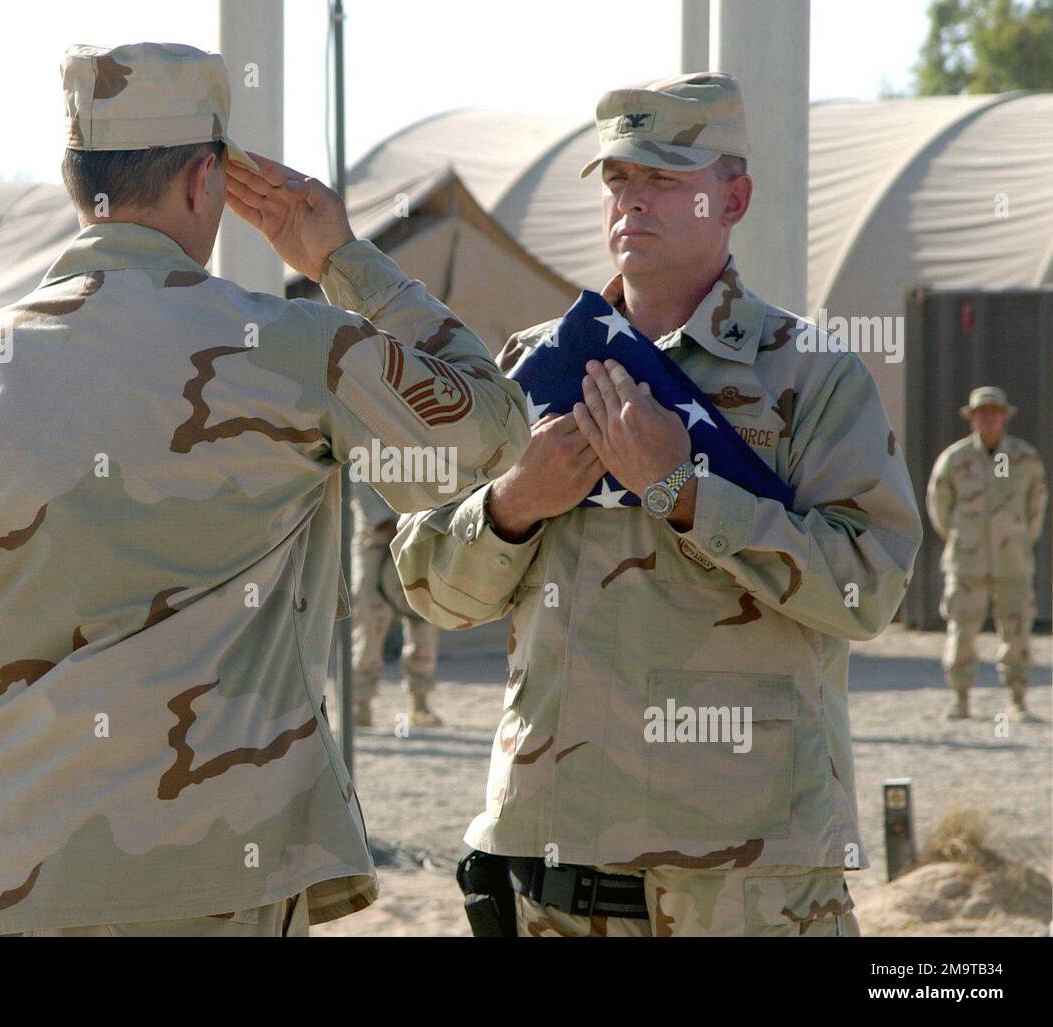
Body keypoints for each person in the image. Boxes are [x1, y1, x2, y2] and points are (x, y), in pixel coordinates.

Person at [0, 41, 528, 937]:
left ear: (79, 180)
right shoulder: (297, 352)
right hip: (223, 884)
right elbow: (491, 429)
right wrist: (342, 255)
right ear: (202, 182)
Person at [395, 72, 923, 936]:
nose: (631, 202)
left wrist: (686, 493)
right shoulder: (537, 368)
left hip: (742, 888)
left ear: (735, 197)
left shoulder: (811, 377)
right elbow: (430, 588)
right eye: (618, 179)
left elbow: (869, 588)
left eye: (666, 179)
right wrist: (513, 505)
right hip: (553, 881)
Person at [926, 386, 1047, 721]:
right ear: (972, 417)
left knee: (1017, 628)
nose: (989, 417)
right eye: (982, 412)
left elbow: (1037, 503)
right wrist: (961, 537)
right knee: (962, 629)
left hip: (1013, 561)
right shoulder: (955, 459)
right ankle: (961, 698)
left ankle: (1017, 699)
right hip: (967, 560)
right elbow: (939, 505)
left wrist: (1020, 539)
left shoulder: (1024, 458)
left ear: (1005, 416)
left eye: (995, 411)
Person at [350, 483, 442, 729]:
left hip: (420, 538)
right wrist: (388, 525)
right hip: (376, 544)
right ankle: (361, 702)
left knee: (423, 618)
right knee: (369, 624)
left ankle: (420, 701)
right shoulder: (371, 444)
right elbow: (359, 478)